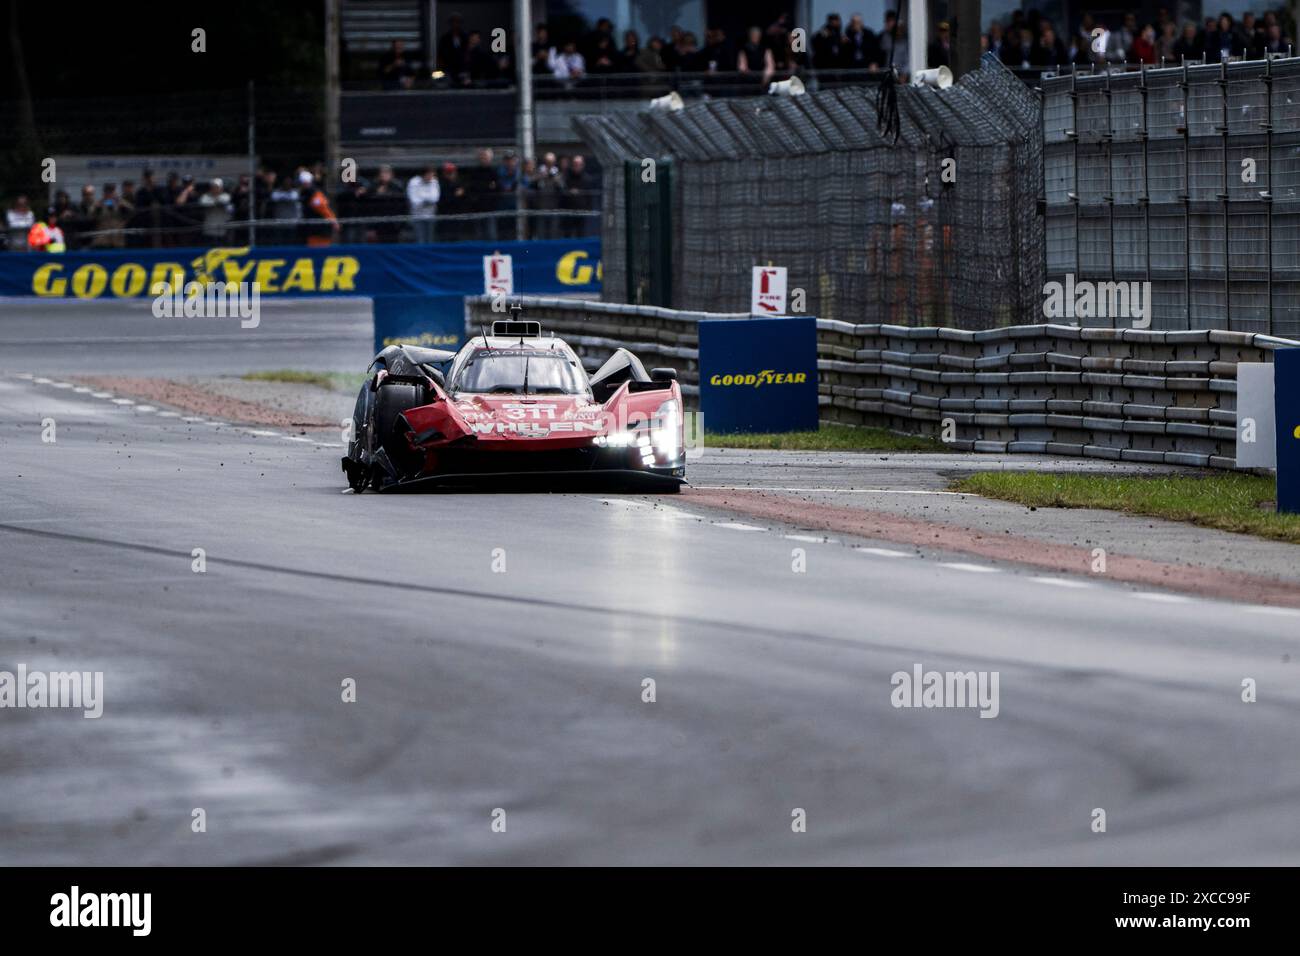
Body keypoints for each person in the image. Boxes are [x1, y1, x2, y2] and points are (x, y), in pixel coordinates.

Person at [298, 170, 338, 247]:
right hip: (310, 230)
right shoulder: (303, 193)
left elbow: (323, 209)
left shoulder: (315, 194)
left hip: (319, 231)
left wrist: (333, 221)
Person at [407, 165, 440, 243]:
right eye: (430, 174)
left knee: (430, 240)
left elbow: (435, 198)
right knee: (420, 240)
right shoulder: (413, 182)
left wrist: (423, 199)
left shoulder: (434, 181)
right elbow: (414, 201)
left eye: (432, 174)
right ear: (424, 174)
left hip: (430, 216)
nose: (431, 176)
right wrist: (427, 200)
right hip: (417, 216)